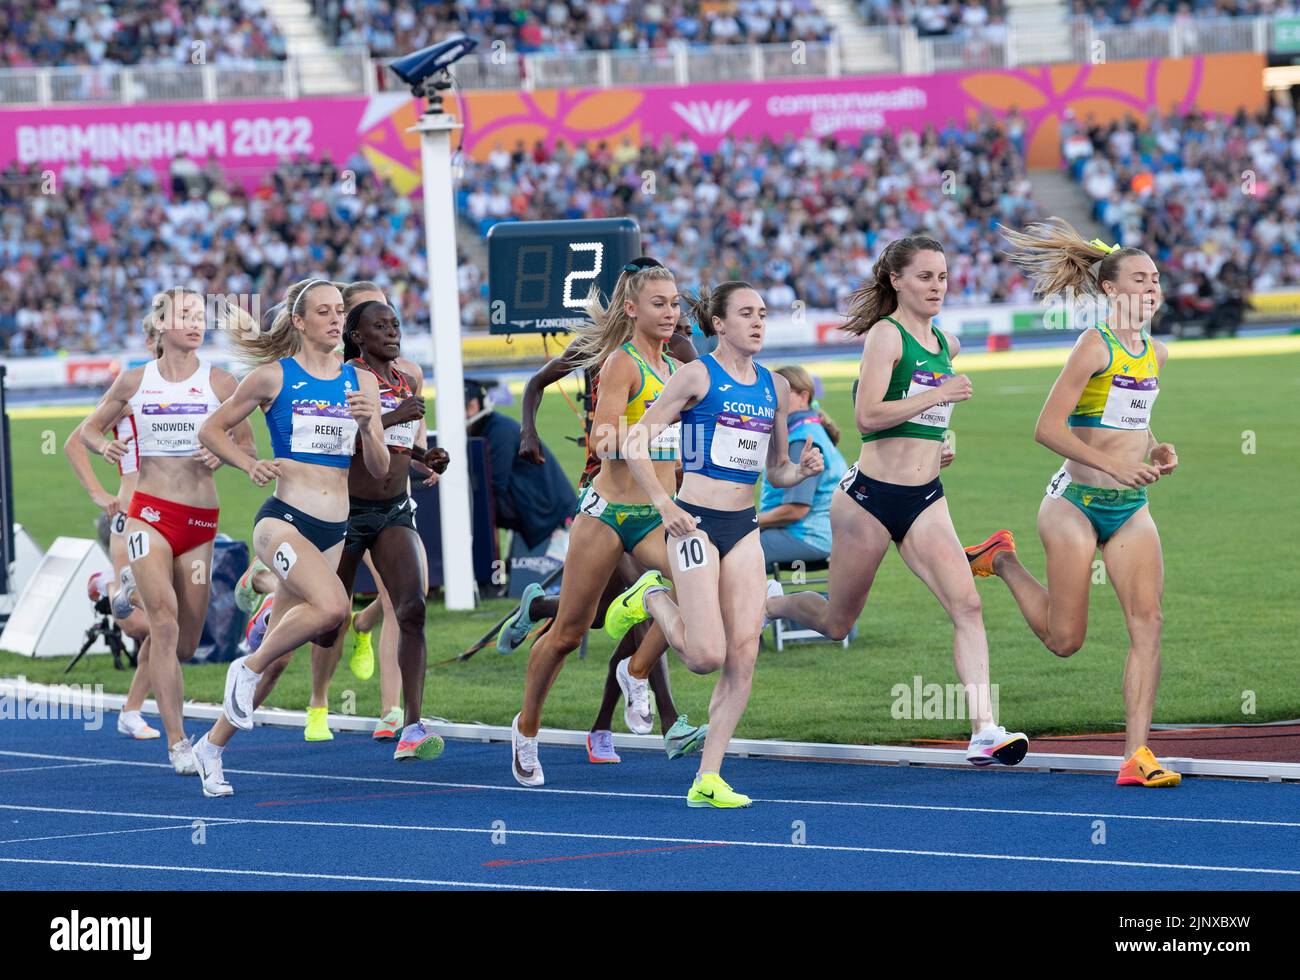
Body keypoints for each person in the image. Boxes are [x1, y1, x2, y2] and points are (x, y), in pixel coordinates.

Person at [762, 235, 1029, 770]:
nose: (937, 286)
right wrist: (939, 395)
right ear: (897, 280)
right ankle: (770, 602)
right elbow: (867, 417)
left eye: (944, 276)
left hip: (926, 500)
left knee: (969, 606)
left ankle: (984, 730)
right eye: (926, 276)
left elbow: (926, 420)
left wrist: (942, 440)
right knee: (837, 622)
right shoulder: (886, 336)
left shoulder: (946, 344)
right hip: (869, 500)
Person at [966, 219, 1180, 788]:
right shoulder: (1094, 344)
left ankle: (1137, 755)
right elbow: (1047, 428)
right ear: (1111, 289)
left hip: (1131, 506)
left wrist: (1156, 449)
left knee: (1149, 621)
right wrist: (1113, 465)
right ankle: (1002, 559)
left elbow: (1130, 420)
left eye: (1156, 277)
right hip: (1075, 502)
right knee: (1066, 641)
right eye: (1140, 277)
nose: (1152, 287)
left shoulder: (1156, 352)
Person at [604, 281, 824, 808]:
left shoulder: (773, 386)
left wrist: (801, 470)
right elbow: (633, 441)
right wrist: (664, 503)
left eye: (763, 314)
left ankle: (708, 777)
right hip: (694, 525)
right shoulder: (697, 375)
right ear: (718, 324)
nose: (758, 322)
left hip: (742, 528)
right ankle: (649, 596)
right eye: (746, 314)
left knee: (743, 655)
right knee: (705, 656)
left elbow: (775, 468)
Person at [188, 278, 390, 797]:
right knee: (331, 610)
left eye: (340, 311)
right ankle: (244, 665)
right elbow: (211, 429)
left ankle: (211, 747)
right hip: (282, 520)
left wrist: (370, 428)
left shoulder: (360, 383)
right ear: (299, 322)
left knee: (279, 662)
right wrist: (249, 463)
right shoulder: (272, 377)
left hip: (334, 529)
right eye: (323, 311)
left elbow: (380, 467)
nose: (335, 319)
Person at [509, 258, 693, 787]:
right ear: (632, 309)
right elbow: (602, 441)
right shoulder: (622, 363)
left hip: (656, 513)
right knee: (567, 633)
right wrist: (647, 441)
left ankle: (633, 671)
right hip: (609, 513)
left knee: (699, 583)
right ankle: (527, 728)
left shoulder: (678, 370)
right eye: (658, 304)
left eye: (675, 303)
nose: (670, 312)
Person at [80, 288, 254, 774]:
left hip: (199, 521)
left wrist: (222, 453)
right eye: (185, 315)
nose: (196, 323)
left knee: (184, 643)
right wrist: (105, 449)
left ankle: (132, 588)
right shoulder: (136, 381)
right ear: (161, 324)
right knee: (164, 621)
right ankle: (178, 743)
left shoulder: (221, 383)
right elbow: (90, 431)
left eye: (200, 316)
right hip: (149, 513)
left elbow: (247, 448)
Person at [303, 298, 445, 758]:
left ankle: (412, 725)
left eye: (395, 324)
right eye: (379, 326)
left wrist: (426, 457)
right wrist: (394, 417)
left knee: (413, 608)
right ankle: (278, 602)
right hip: (344, 511)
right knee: (328, 622)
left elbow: (396, 446)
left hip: (393, 512)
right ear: (357, 337)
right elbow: (336, 440)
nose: (392, 331)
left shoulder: (403, 379)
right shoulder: (345, 378)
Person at [66, 397, 157, 740]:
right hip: (130, 513)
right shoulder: (130, 393)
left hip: (177, 513)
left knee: (169, 631)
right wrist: (97, 492)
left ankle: (132, 711)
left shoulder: (193, 391)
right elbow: (75, 441)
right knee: (137, 624)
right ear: (156, 340)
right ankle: (111, 585)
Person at [466, 377, 577, 557]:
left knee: (478, 504)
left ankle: (487, 572)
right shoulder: (490, 428)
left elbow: (494, 485)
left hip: (547, 510)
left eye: (469, 406)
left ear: (480, 404)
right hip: (538, 503)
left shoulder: (499, 431)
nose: (465, 414)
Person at [757, 366, 848, 566]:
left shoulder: (801, 440)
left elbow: (796, 510)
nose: (770, 399)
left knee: (729, 551)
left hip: (807, 535)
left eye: (780, 393)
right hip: (815, 533)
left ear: (803, 397)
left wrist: (749, 522)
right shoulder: (808, 430)